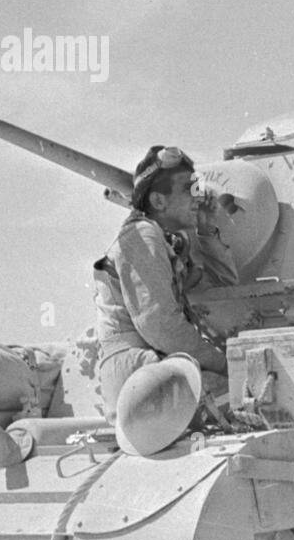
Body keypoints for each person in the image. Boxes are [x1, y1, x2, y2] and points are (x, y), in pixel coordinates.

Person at [92, 145, 238, 421]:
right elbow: (161, 326)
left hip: (151, 370)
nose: (198, 196)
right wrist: (226, 365)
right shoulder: (141, 236)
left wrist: (205, 229)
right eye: (188, 189)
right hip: (137, 372)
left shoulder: (165, 242)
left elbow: (224, 288)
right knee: (245, 397)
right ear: (159, 202)